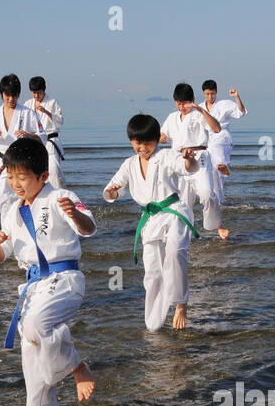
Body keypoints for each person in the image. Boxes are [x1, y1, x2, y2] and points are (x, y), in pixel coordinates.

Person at [0, 137, 96, 406]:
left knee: (36, 326)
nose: (15, 184)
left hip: (65, 281)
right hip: (34, 288)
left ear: (43, 176)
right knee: (32, 355)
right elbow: (2, 256)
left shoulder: (60, 197)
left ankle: (75, 364)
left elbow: (88, 228)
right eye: (10, 177)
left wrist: (75, 215)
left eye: (21, 177)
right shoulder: (13, 212)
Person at [103, 113, 200, 331]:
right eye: (138, 142)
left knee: (175, 253)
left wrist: (189, 158)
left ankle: (181, 304)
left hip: (174, 213)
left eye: (148, 142)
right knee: (153, 273)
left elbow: (185, 167)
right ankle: (154, 323)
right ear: (131, 141)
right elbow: (113, 188)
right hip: (150, 220)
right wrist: (112, 193)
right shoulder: (129, 164)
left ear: (157, 140)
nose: (143, 147)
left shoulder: (165, 156)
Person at [161, 83, 226, 238]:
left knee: (207, 194)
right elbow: (163, 136)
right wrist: (160, 137)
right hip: (179, 161)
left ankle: (216, 225)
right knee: (183, 202)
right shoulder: (172, 117)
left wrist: (201, 109)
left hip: (199, 158)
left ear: (193, 100)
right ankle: (185, 234)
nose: (182, 106)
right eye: (178, 103)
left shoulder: (199, 115)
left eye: (184, 103)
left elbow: (217, 128)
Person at [0, 74, 42, 214]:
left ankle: (26, 231)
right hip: (4, 162)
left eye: (15, 95)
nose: (11, 99)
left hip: (25, 163)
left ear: (18, 95)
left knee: (26, 199)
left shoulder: (27, 113)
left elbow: (42, 137)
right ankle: (8, 233)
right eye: (8, 95)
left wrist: (28, 135)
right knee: (4, 200)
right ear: (2, 94)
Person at [201, 80, 246, 214]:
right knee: (213, 173)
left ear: (216, 92)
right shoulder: (200, 107)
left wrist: (237, 97)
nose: (210, 97)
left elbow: (241, 112)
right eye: (208, 94)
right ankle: (219, 200)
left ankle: (223, 168)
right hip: (208, 139)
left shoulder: (224, 104)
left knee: (216, 166)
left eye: (213, 94)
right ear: (204, 93)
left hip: (221, 137)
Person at [23, 75, 66, 189]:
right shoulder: (27, 104)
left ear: (44, 90)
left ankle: (60, 196)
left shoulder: (52, 102)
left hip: (50, 141)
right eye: (34, 93)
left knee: (54, 172)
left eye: (39, 93)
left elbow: (60, 122)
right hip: (35, 143)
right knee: (36, 173)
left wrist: (46, 112)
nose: (37, 95)